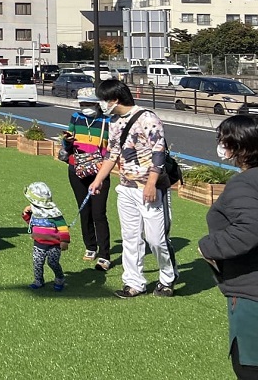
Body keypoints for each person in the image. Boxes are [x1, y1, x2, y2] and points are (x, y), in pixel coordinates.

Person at [88, 79, 178, 298]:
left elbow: (158, 152)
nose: (102, 104)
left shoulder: (148, 118)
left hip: (149, 188)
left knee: (156, 239)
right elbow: (112, 153)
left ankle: (168, 277)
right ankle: (133, 283)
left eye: (104, 99)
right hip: (126, 187)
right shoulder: (115, 121)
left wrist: (151, 184)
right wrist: (98, 179)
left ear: (115, 99)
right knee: (130, 237)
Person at [199, 115, 258, 380]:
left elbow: (249, 229)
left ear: (238, 146)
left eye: (224, 141)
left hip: (252, 299)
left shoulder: (244, 184)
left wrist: (208, 246)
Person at [59, 89, 113, 270]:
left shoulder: (107, 121)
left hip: (99, 171)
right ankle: (90, 246)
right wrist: (67, 141)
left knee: (99, 213)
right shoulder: (76, 117)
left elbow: (112, 148)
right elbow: (67, 145)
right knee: (84, 210)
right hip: (77, 168)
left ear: (97, 104)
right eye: (82, 105)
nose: (84, 108)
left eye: (87, 105)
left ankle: (105, 254)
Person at [21, 181, 70, 291]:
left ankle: (60, 278)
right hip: (38, 243)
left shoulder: (54, 214)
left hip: (54, 245)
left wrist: (64, 241)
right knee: (37, 263)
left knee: (53, 263)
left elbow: (63, 228)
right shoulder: (34, 212)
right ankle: (38, 281)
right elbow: (32, 224)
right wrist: (26, 214)